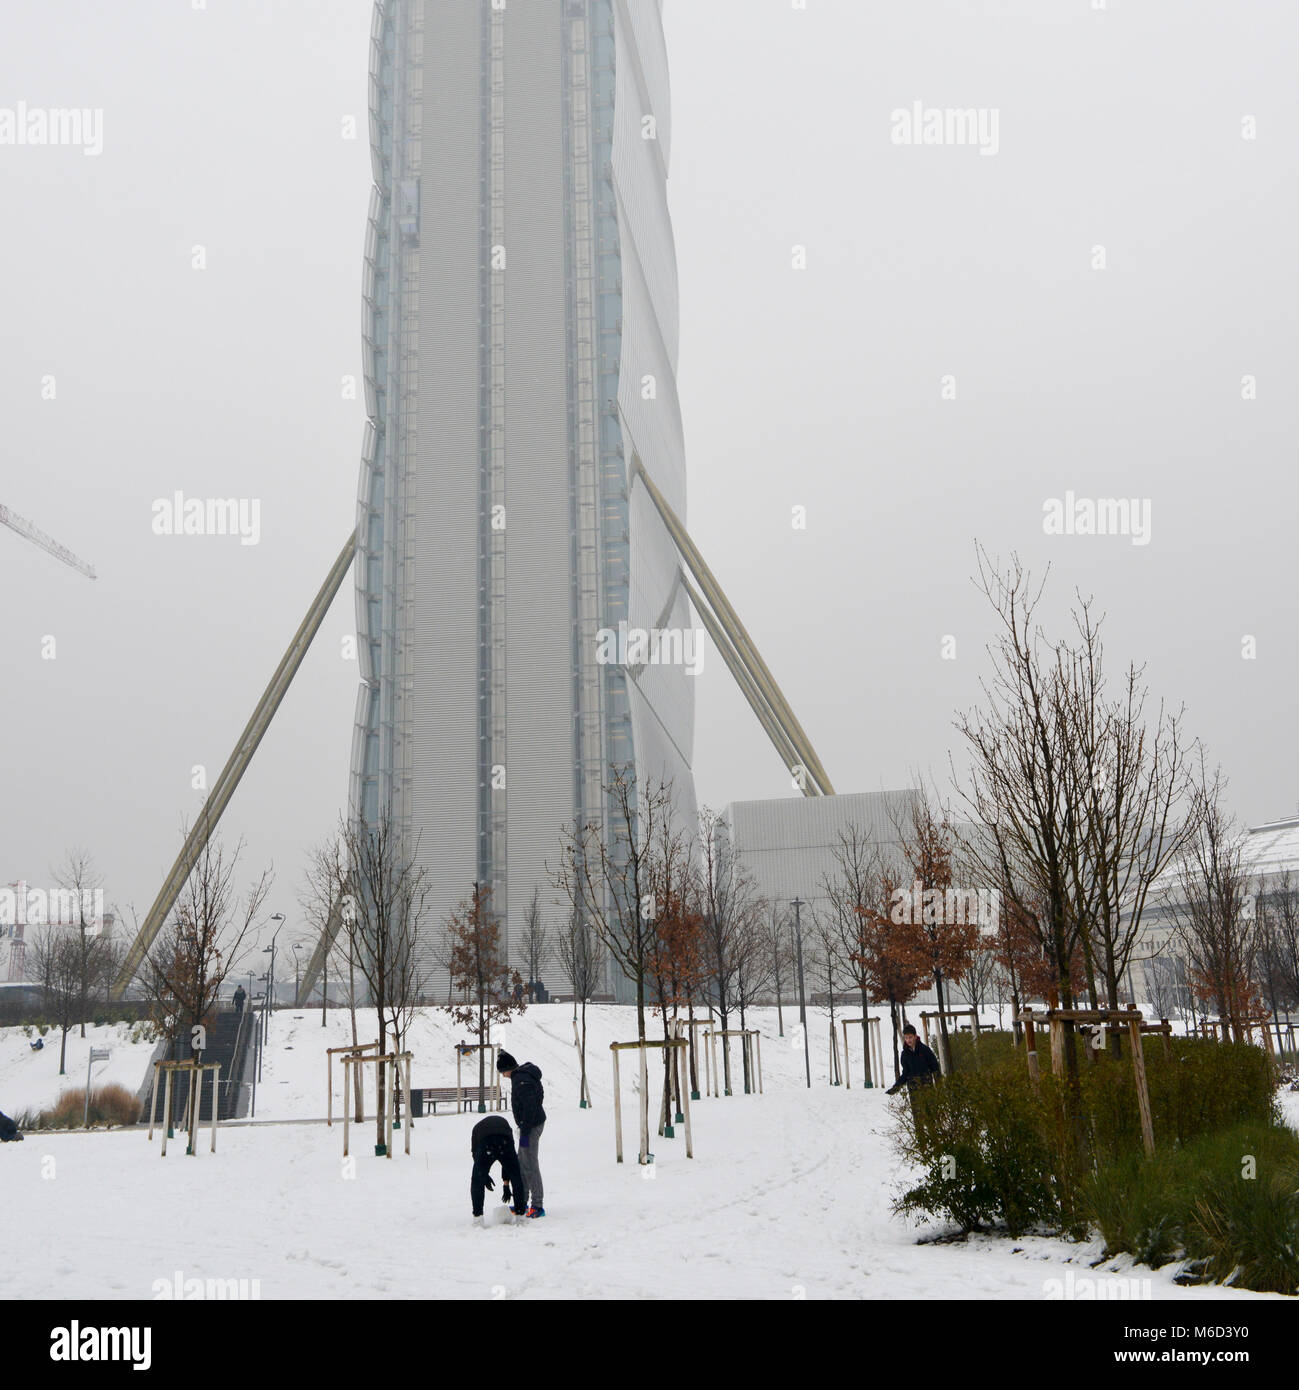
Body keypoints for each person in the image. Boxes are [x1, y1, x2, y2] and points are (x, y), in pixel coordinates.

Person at [496, 1050, 546, 1218]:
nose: (503, 1076)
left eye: (502, 1072)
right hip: (528, 1126)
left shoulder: (521, 1080)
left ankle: (537, 1206)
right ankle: (522, 1202)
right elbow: (538, 1098)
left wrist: (525, 1130)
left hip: (530, 1128)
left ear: (508, 1068)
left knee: (530, 1164)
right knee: (522, 1162)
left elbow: (530, 1106)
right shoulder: (521, 1077)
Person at [469, 1115, 527, 1226]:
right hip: (504, 1141)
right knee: (516, 1176)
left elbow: (475, 1156)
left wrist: (483, 1175)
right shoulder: (504, 1126)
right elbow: (509, 1163)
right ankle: (520, 1217)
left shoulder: (476, 1129)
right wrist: (506, 1184)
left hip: (486, 1143)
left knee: (477, 1181)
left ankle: (478, 1219)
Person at [885, 1024, 941, 1095]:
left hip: (927, 1088)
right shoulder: (905, 1054)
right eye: (906, 1038)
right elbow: (905, 1073)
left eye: (910, 1037)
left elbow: (935, 1068)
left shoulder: (925, 1050)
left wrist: (939, 1087)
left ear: (915, 1036)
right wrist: (896, 1087)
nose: (908, 1040)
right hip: (913, 1090)